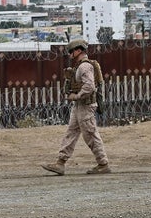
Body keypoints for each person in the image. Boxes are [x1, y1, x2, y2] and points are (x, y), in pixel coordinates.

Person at [42, 39, 112, 175]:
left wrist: (77, 95)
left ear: (78, 51)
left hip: (85, 105)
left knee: (90, 134)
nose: (69, 54)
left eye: (71, 51)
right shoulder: (80, 66)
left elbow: (90, 86)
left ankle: (103, 163)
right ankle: (60, 163)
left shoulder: (84, 67)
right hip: (80, 106)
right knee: (71, 132)